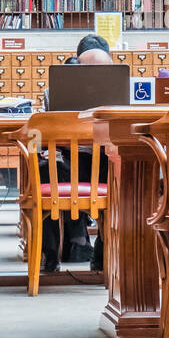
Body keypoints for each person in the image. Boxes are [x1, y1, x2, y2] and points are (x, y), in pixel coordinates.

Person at [37, 35, 113, 271]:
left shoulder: (54, 92)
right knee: (45, 169)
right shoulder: (119, 93)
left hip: (85, 164)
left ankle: (53, 259)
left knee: (46, 168)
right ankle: (56, 254)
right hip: (90, 165)